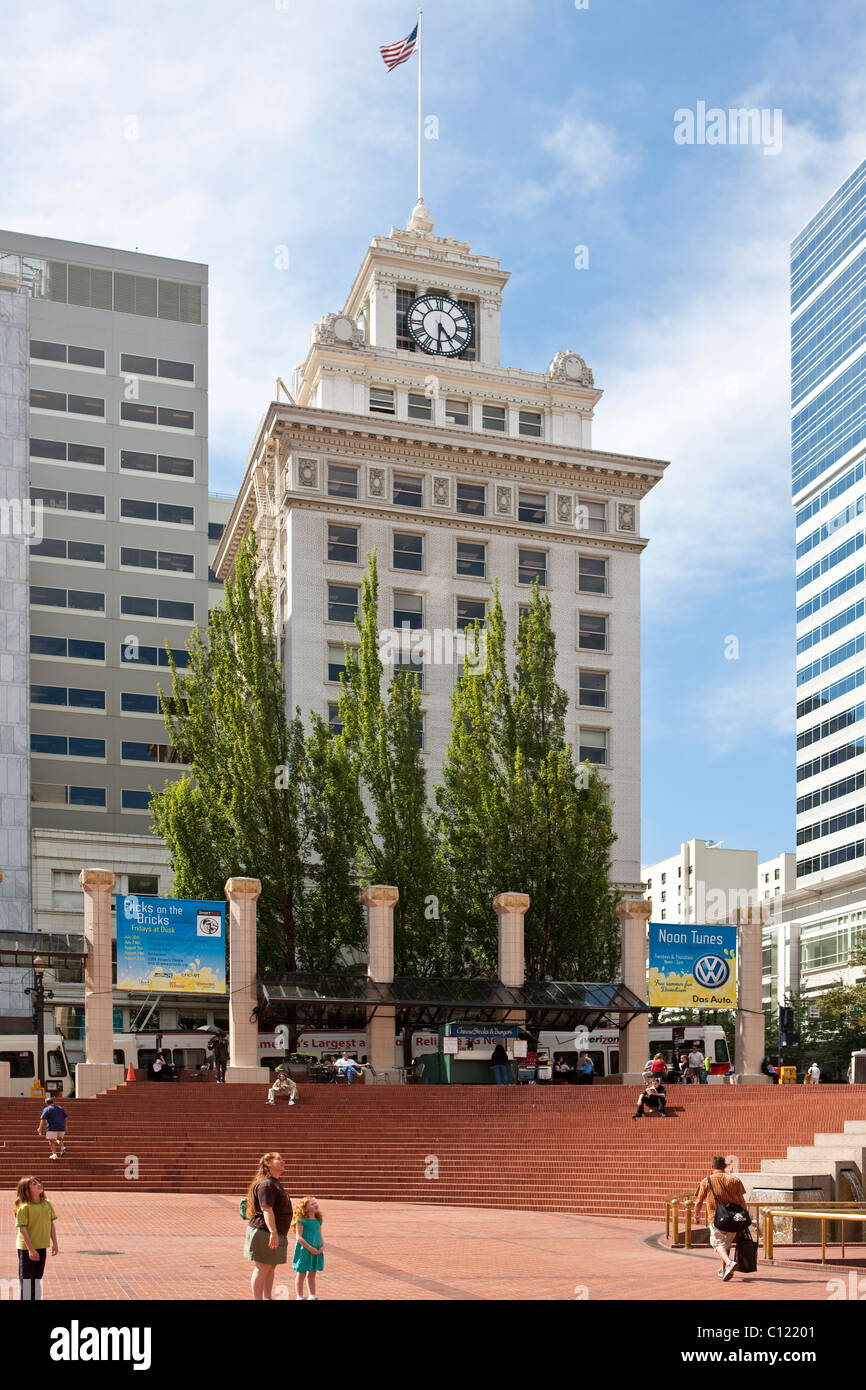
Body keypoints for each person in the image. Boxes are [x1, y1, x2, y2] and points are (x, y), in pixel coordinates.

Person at [243, 1151, 292, 1300]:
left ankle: (267, 1298)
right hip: (265, 1231)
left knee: (270, 1267)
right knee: (262, 1267)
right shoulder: (266, 1184)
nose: (283, 1161)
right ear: (268, 1163)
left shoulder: (274, 1182)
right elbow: (266, 1209)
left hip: (273, 1232)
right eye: (279, 1159)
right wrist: (273, 1232)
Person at [693, 1156, 749, 1281]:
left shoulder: (706, 1181)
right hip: (734, 1218)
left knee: (716, 1243)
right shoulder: (734, 1180)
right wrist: (745, 1216)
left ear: (712, 1167)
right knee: (726, 1244)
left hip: (716, 1217)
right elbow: (742, 1201)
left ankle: (729, 1263)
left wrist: (696, 1215)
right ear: (725, 1166)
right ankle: (724, 1270)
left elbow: (698, 1202)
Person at [14, 1176, 59, 1301]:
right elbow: (22, 1229)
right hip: (27, 1248)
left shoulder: (47, 1203)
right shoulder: (24, 1207)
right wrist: (30, 1249)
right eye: (34, 1184)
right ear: (27, 1189)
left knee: (37, 1278)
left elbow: (51, 1223)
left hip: (41, 1246)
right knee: (27, 1280)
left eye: (38, 1182)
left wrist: (55, 1243)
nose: (39, 1184)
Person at [291, 1196, 324, 1301]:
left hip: (316, 1250)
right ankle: (299, 1296)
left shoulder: (318, 1220)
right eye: (312, 1204)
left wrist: (322, 1246)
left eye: (315, 1203)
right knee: (301, 1273)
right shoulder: (301, 1220)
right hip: (304, 1250)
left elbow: (320, 1234)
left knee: (312, 1273)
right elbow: (298, 1237)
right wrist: (310, 1248)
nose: (315, 1205)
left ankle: (312, 1295)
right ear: (305, 1208)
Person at [37, 1095, 68, 1161]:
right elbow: (65, 1118)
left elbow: (43, 1119)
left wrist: (40, 1128)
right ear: (53, 1102)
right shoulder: (60, 1108)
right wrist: (65, 1126)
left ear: (46, 1103)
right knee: (59, 1139)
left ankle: (54, 1154)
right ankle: (62, 1147)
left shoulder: (47, 1109)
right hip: (61, 1127)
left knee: (51, 1141)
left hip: (52, 1127)